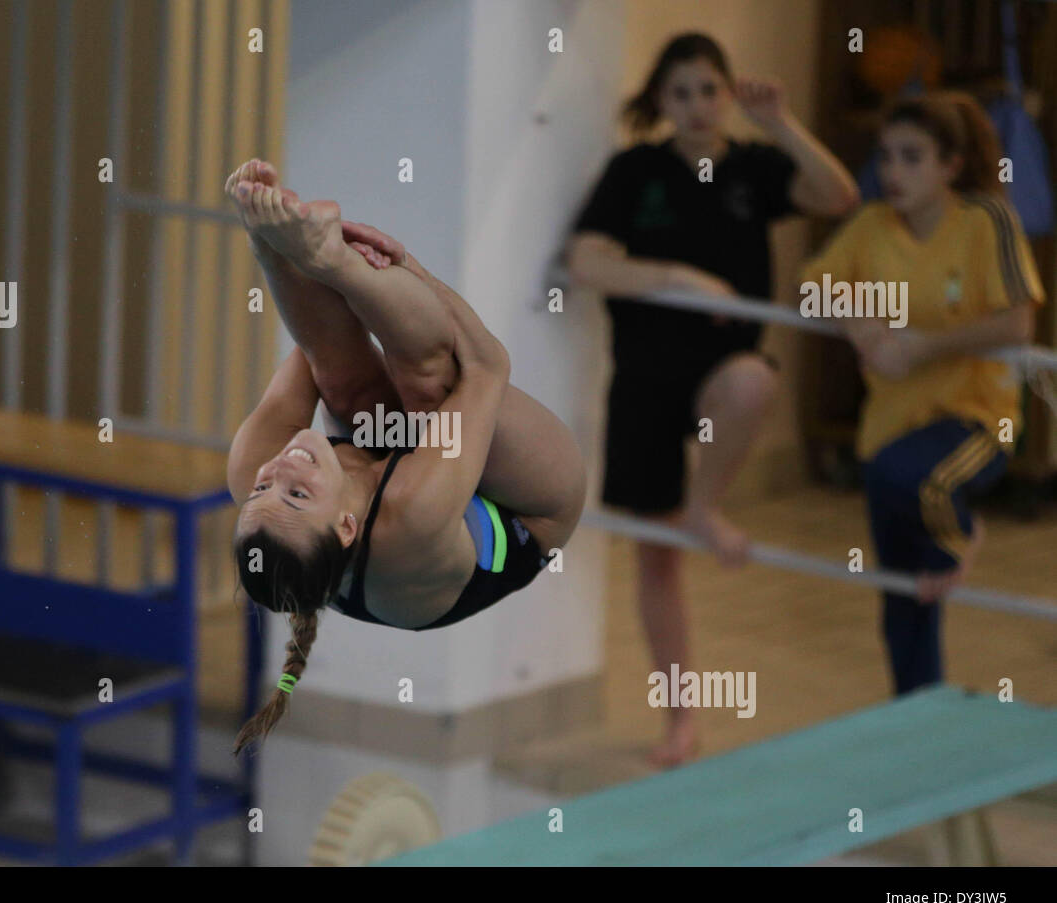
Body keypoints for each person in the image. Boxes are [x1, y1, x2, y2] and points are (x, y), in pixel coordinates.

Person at [564, 32, 859, 765]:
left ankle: (707, 504)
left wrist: (782, 124)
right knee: (657, 561)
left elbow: (839, 195)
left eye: (709, 89)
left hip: (724, 367)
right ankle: (681, 719)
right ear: (660, 102)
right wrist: (683, 281)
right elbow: (588, 261)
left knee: (755, 379)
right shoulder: (637, 170)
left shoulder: (756, 168)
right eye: (680, 92)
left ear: (729, 94)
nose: (697, 106)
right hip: (646, 378)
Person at [224, 160, 586, 753]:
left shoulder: (253, 469)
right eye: (295, 492)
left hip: (390, 481)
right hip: (525, 515)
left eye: (263, 491)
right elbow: (488, 367)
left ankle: (294, 247)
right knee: (433, 386)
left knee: (340, 378)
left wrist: (272, 245)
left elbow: (318, 344)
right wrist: (402, 268)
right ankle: (333, 259)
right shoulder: (408, 518)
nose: (279, 470)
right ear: (346, 525)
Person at [800, 92, 1044, 695]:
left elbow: (1018, 323)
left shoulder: (988, 222)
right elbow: (811, 288)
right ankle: (918, 711)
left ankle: (958, 538)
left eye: (912, 158)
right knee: (903, 604)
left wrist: (920, 345)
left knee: (913, 480)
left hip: (978, 421)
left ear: (950, 166)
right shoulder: (871, 227)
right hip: (890, 424)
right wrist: (858, 320)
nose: (893, 173)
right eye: (886, 157)